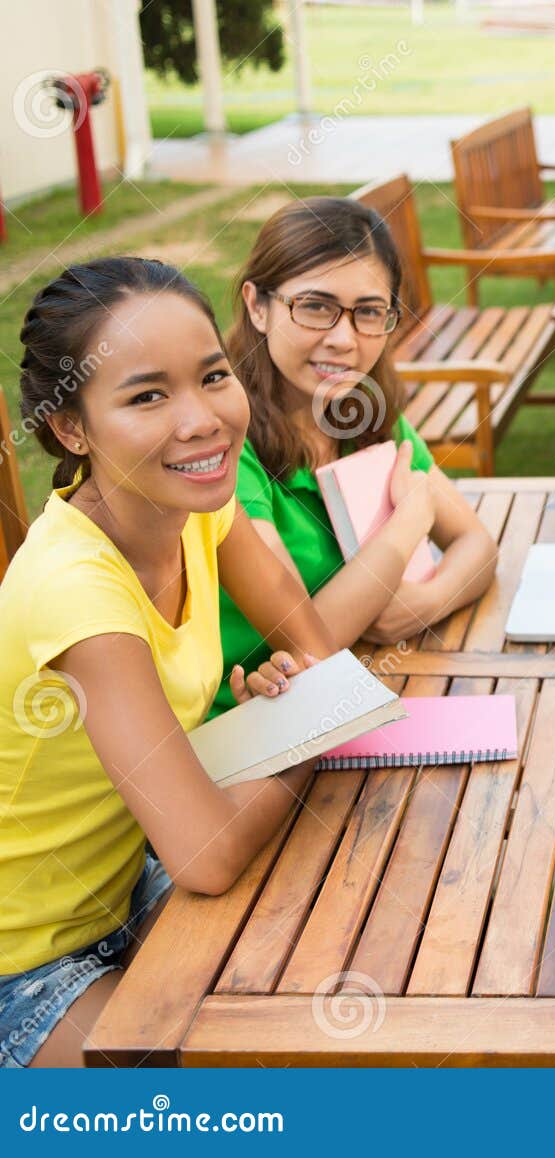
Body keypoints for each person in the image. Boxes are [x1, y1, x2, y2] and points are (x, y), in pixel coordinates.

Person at [0, 258, 337, 1067]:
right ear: (72, 429)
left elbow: (318, 652)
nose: (203, 420)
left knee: (337, 985)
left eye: (212, 376)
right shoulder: (76, 593)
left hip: (130, 885)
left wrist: (295, 707)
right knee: (217, 1112)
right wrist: (300, 736)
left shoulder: (193, 509)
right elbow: (207, 854)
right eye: (148, 395)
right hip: (24, 962)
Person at [211, 197, 497, 714]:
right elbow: (309, 641)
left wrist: (421, 605)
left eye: (368, 313)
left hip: (360, 688)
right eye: (316, 307)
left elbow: (477, 545)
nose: (343, 340)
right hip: (252, 723)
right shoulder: (226, 446)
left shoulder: (363, 413)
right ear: (257, 306)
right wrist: (413, 518)